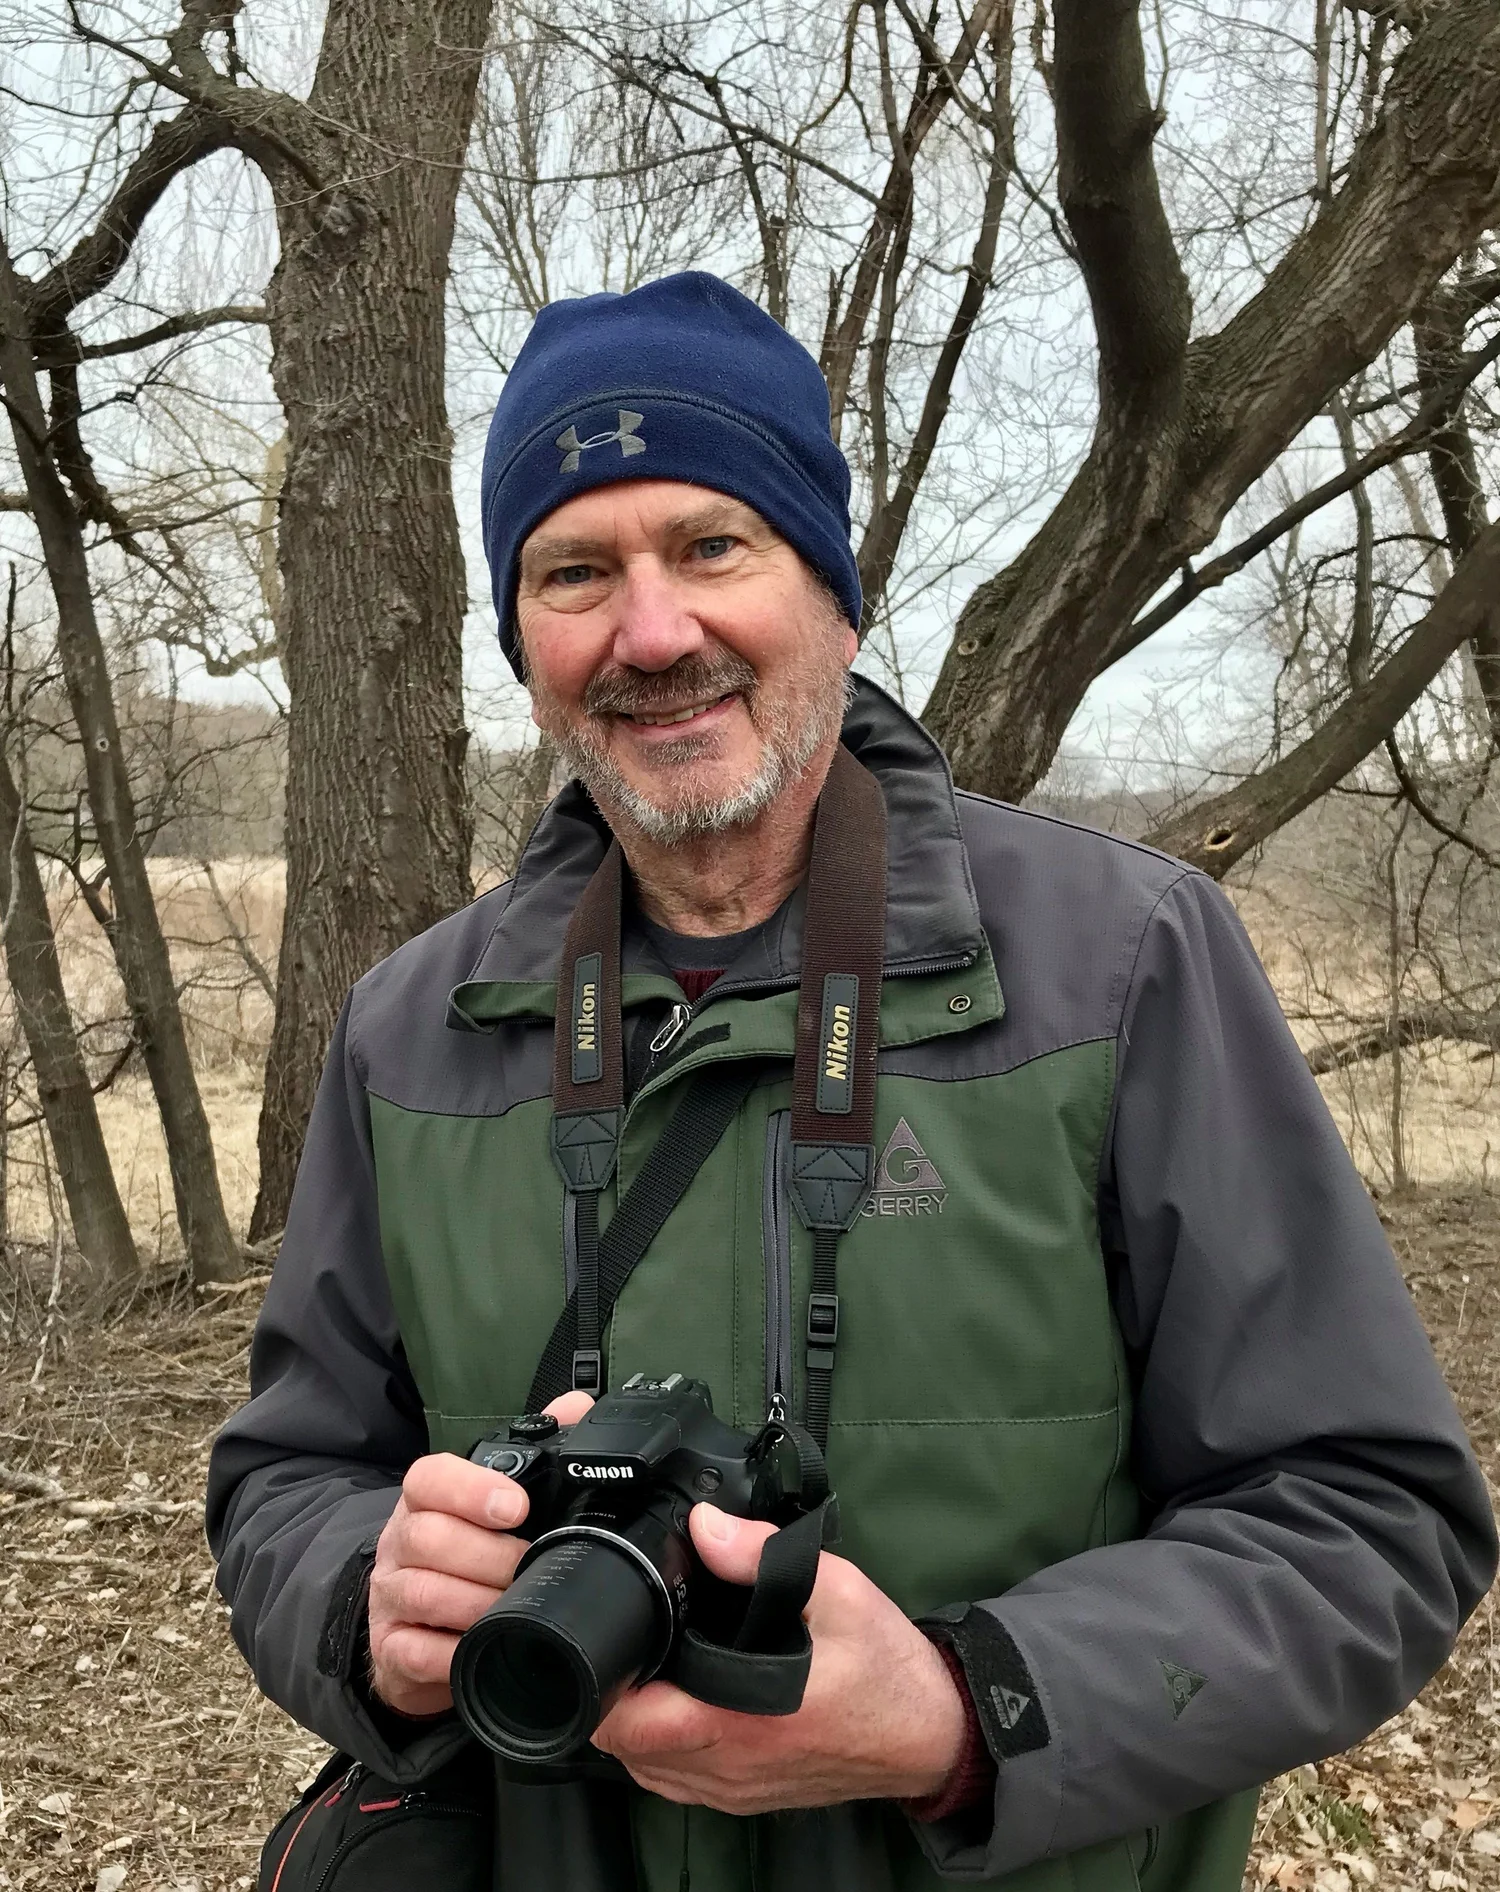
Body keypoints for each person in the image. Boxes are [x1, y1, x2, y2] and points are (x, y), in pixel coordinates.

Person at [208, 272, 1496, 1892]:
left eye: (712, 546)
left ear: (836, 590)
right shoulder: (414, 1028)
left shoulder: (1125, 964)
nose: (652, 632)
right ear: (524, 642)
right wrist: (362, 1601)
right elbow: (286, 1477)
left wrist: (970, 1711)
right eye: (575, 571)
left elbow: (1368, 1517)